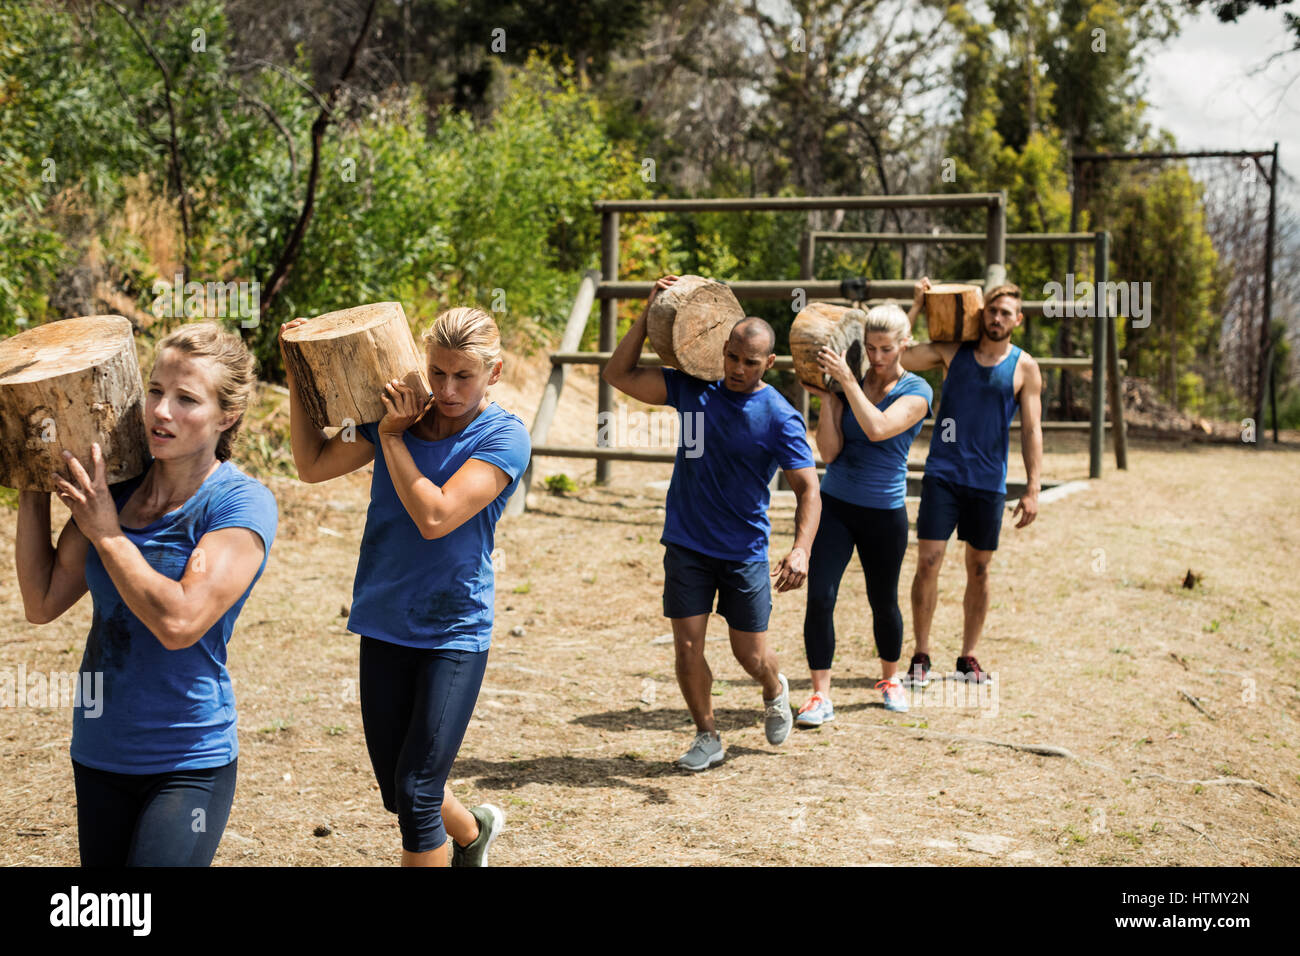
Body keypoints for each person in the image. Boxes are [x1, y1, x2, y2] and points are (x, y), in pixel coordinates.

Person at [15, 322, 277, 866]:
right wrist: (31, 479)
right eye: (155, 391)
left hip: (187, 760)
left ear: (226, 416)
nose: (162, 411)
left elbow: (180, 622)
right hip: (100, 751)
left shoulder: (239, 506)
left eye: (186, 399)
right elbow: (40, 602)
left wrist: (107, 534)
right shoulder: (114, 494)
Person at [282, 306, 529, 866]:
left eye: (463, 376)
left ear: (494, 373)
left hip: (453, 631)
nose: (446, 388)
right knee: (401, 791)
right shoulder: (399, 412)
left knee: (417, 792)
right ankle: (471, 833)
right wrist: (297, 375)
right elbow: (313, 463)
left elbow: (436, 516)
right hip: (385, 617)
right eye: (437, 372)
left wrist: (392, 439)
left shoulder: (505, 436)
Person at [602, 275, 821, 772]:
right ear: (722, 350)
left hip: (743, 550)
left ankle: (773, 687)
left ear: (768, 363)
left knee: (750, 655)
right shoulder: (692, 390)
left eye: (750, 362)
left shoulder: (780, 417)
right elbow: (618, 373)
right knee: (687, 644)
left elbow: (809, 488)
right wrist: (651, 309)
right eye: (732, 357)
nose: (738, 369)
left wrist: (801, 547)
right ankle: (707, 734)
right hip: (687, 542)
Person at [900, 282, 1043, 686]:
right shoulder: (951, 351)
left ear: (1018, 320)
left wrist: (1033, 489)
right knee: (928, 563)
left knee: (979, 570)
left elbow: (1032, 430)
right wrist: (915, 306)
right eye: (992, 310)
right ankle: (921, 656)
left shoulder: (1024, 367)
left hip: (987, 484)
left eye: (1006, 312)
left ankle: (968, 658)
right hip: (943, 476)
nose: (997, 318)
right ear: (983, 313)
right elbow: (899, 355)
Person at [799, 294, 933, 720]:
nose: (876, 357)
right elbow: (830, 453)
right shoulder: (850, 380)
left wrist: (847, 384)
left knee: (883, 600)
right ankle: (821, 694)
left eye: (886, 349)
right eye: (870, 348)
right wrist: (828, 397)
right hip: (836, 504)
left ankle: (890, 679)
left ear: (905, 344)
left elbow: (877, 429)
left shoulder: (918, 391)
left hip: (884, 511)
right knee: (820, 597)